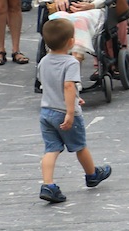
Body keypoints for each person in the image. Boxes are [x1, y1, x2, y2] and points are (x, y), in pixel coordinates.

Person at [34, 17, 112, 204]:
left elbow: (49, 84)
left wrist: (75, 97)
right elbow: (68, 86)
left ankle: (48, 184)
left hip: (46, 111)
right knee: (80, 146)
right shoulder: (71, 63)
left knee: (51, 149)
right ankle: (92, 174)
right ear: (71, 42)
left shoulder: (43, 61)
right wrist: (70, 111)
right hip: (64, 112)